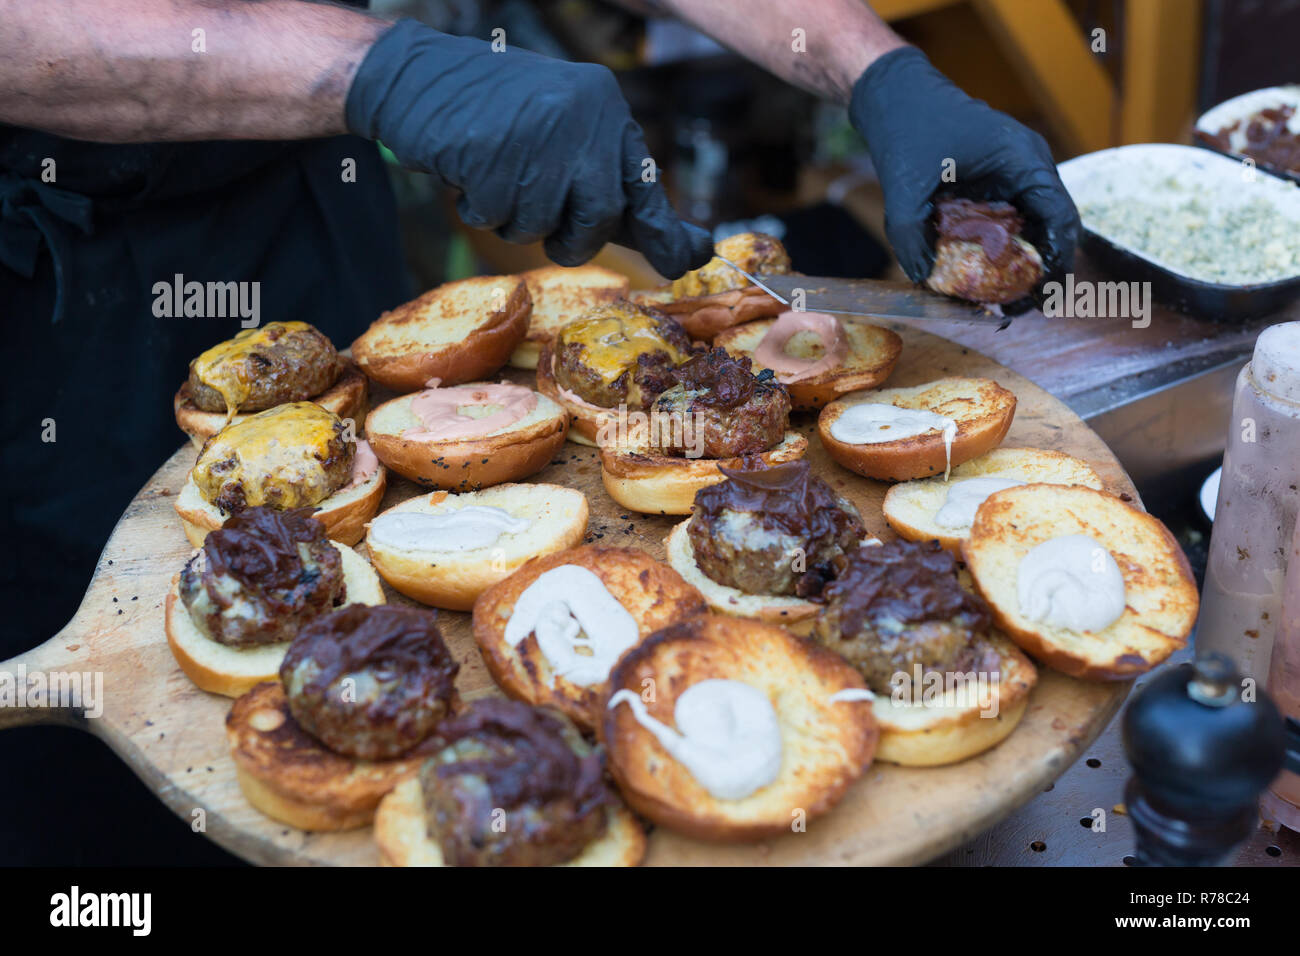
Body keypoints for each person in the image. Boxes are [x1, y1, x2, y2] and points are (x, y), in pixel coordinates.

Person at [0, 0, 1077, 863]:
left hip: (296, 197)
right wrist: (380, 72)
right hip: (52, 293)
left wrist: (868, 67)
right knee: (103, 762)